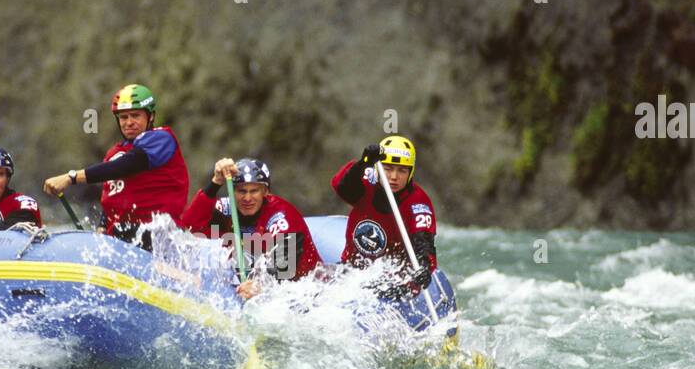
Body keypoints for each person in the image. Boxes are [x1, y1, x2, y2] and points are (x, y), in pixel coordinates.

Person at [42, 83, 189, 245]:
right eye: (124, 117)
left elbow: (127, 164)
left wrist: (71, 177)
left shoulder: (162, 138)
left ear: (151, 116)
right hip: (123, 237)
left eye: (135, 115)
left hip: (159, 235)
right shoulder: (114, 153)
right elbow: (114, 193)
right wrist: (102, 226)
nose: (129, 122)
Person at [181, 157, 321, 299]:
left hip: (302, 291)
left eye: (254, 191)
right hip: (250, 281)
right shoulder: (227, 209)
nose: (247, 198)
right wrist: (216, 183)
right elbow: (190, 225)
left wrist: (258, 285)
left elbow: (284, 268)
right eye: (241, 191)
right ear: (232, 192)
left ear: (265, 192)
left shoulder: (282, 216)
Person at [330, 135, 437, 299]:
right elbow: (343, 189)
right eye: (388, 168)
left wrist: (423, 267)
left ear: (410, 172)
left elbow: (423, 242)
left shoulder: (417, 201)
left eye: (401, 170)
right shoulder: (366, 179)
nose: (394, 177)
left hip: (395, 280)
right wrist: (363, 163)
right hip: (353, 270)